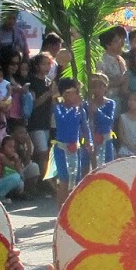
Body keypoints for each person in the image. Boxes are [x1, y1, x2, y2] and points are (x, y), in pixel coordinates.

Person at [50, 77, 90, 207]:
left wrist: (88, 141)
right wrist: (75, 108)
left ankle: (73, 208)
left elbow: (85, 127)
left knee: (76, 178)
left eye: (74, 92)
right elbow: (64, 120)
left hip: (75, 149)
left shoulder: (81, 110)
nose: (71, 95)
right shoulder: (58, 108)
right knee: (64, 179)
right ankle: (61, 209)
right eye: (67, 93)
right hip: (61, 149)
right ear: (62, 94)